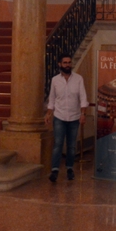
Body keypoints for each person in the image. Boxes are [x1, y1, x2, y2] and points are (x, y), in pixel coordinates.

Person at [44, 54, 88, 182]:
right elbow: (51, 99)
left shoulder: (79, 79)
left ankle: (69, 168)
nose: (68, 65)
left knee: (71, 145)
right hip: (59, 116)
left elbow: (83, 98)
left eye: (69, 62)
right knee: (58, 144)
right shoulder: (55, 80)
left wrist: (83, 114)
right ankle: (55, 170)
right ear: (60, 64)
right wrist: (48, 113)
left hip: (74, 117)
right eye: (65, 63)